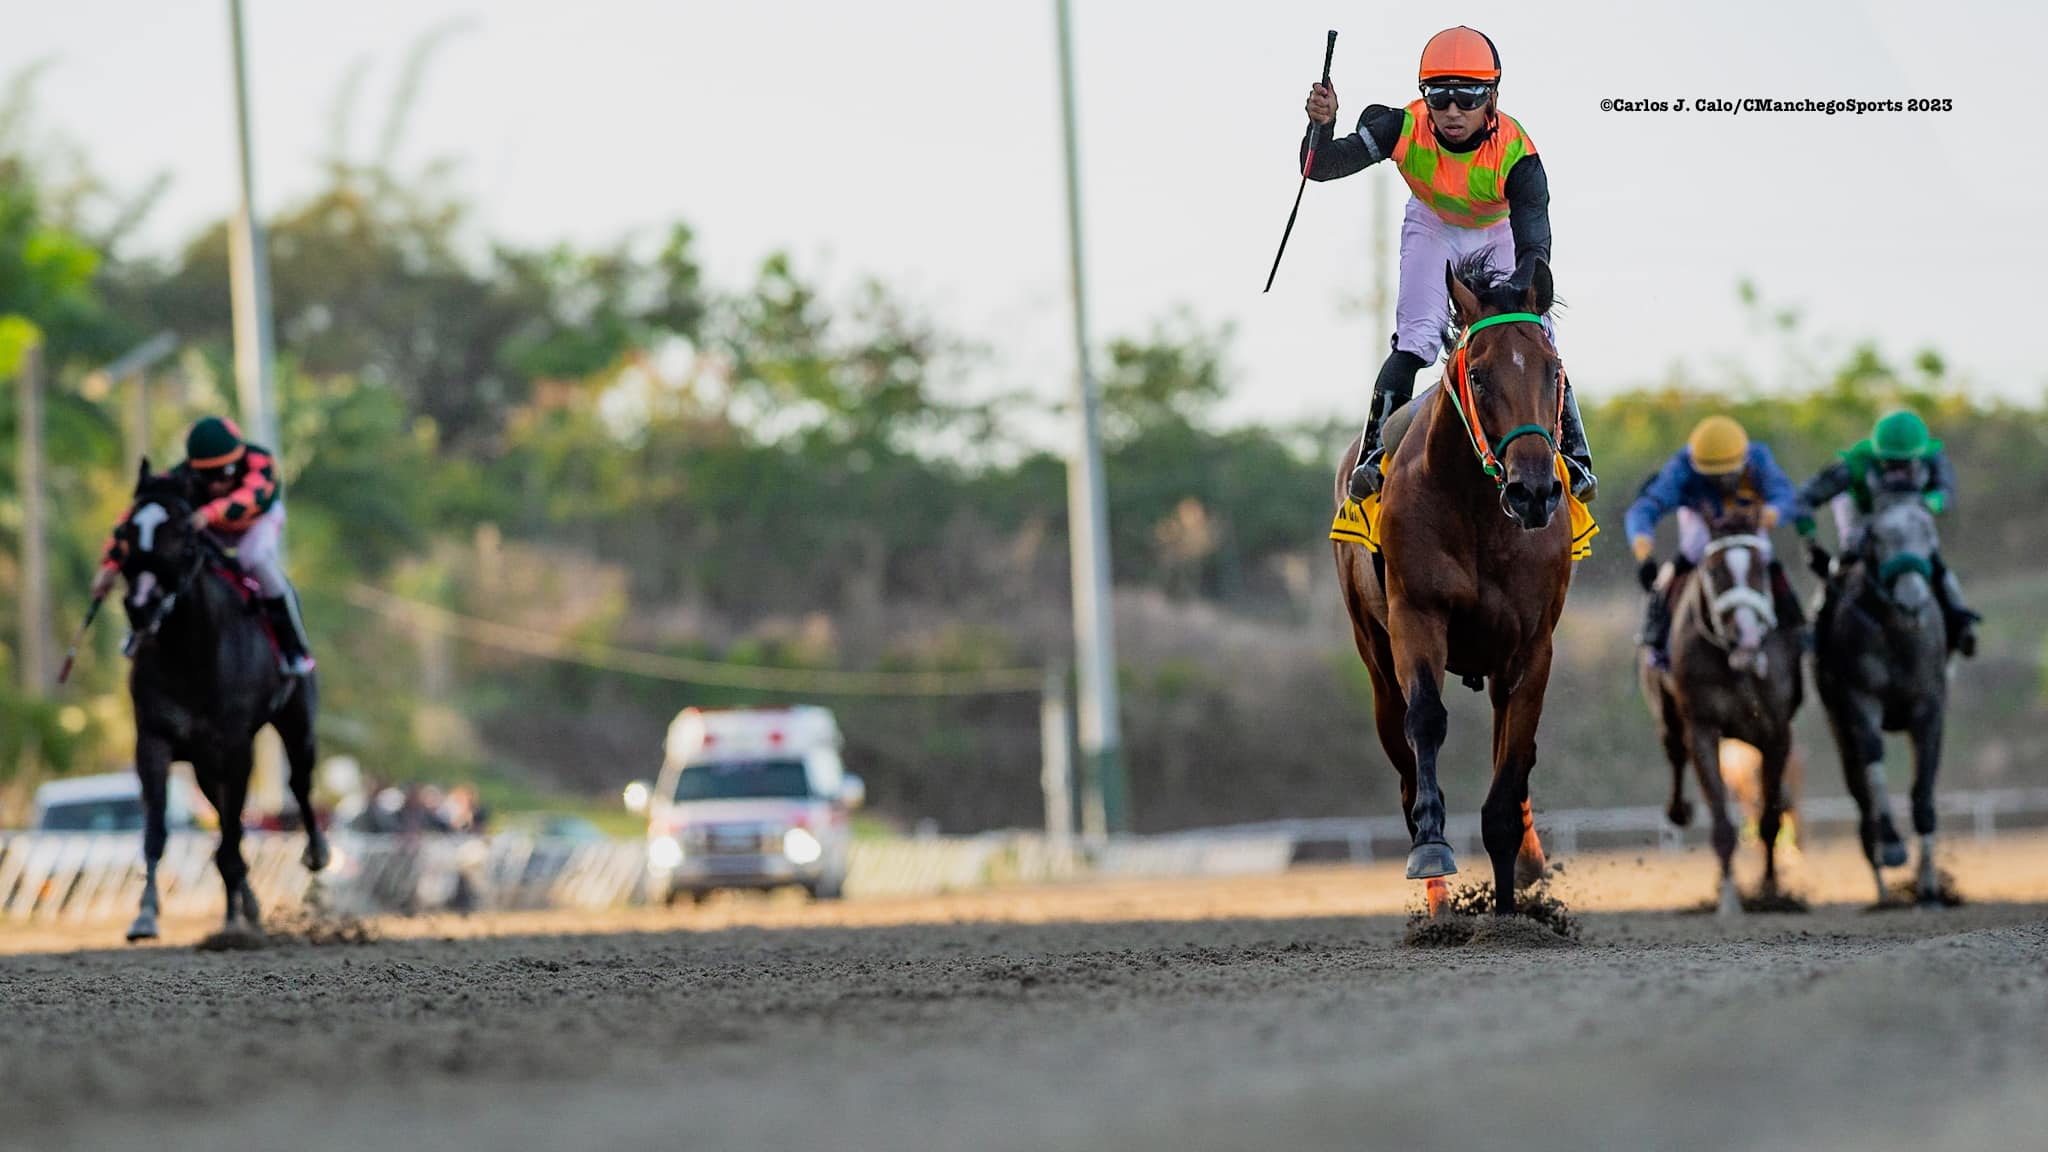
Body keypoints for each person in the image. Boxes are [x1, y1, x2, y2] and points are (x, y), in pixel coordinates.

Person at [1301, 25, 1595, 502]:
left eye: (1468, 97)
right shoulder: (1400, 126)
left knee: (1532, 328)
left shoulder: (1520, 157)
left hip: (1498, 230)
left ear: (1492, 97)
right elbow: (1319, 166)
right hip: (1432, 223)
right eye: (1439, 98)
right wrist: (1322, 124)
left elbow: (1534, 253)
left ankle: (1577, 458)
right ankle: (1372, 457)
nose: (1453, 112)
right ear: (1424, 97)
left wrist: (1512, 307)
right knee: (1416, 338)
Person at [93, 416, 316, 675]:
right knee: (166, 553)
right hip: (210, 528)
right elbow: (134, 518)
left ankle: (294, 647)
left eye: (225, 472)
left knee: (254, 558)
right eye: (206, 475)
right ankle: (140, 628)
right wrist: (110, 565)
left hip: (257, 522)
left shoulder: (260, 461)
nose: (216, 484)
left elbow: (250, 498)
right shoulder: (180, 476)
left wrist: (209, 513)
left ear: (239, 458)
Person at [1794, 410, 1979, 656]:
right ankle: (1817, 628)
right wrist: (1811, 540)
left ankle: (1959, 623)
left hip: (1912, 516)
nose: (1898, 469)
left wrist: (1933, 501)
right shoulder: (1855, 465)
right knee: (1842, 566)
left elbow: (1947, 492)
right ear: (1878, 453)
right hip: (1863, 514)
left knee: (1936, 563)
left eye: (1906, 462)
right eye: (1891, 462)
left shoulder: (1933, 458)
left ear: (1919, 455)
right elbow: (1805, 498)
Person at [1625, 416, 1806, 667]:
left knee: (1765, 555)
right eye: (1714, 477)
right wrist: (1644, 554)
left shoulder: (1758, 457)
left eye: (1729, 476)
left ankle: (1797, 629)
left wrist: (1769, 514)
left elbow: (1786, 496)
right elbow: (1642, 510)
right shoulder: (1682, 467)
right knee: (1686, 556)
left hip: (1749, 523)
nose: (1723, 483)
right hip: (1702, 524)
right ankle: (1658, 638)